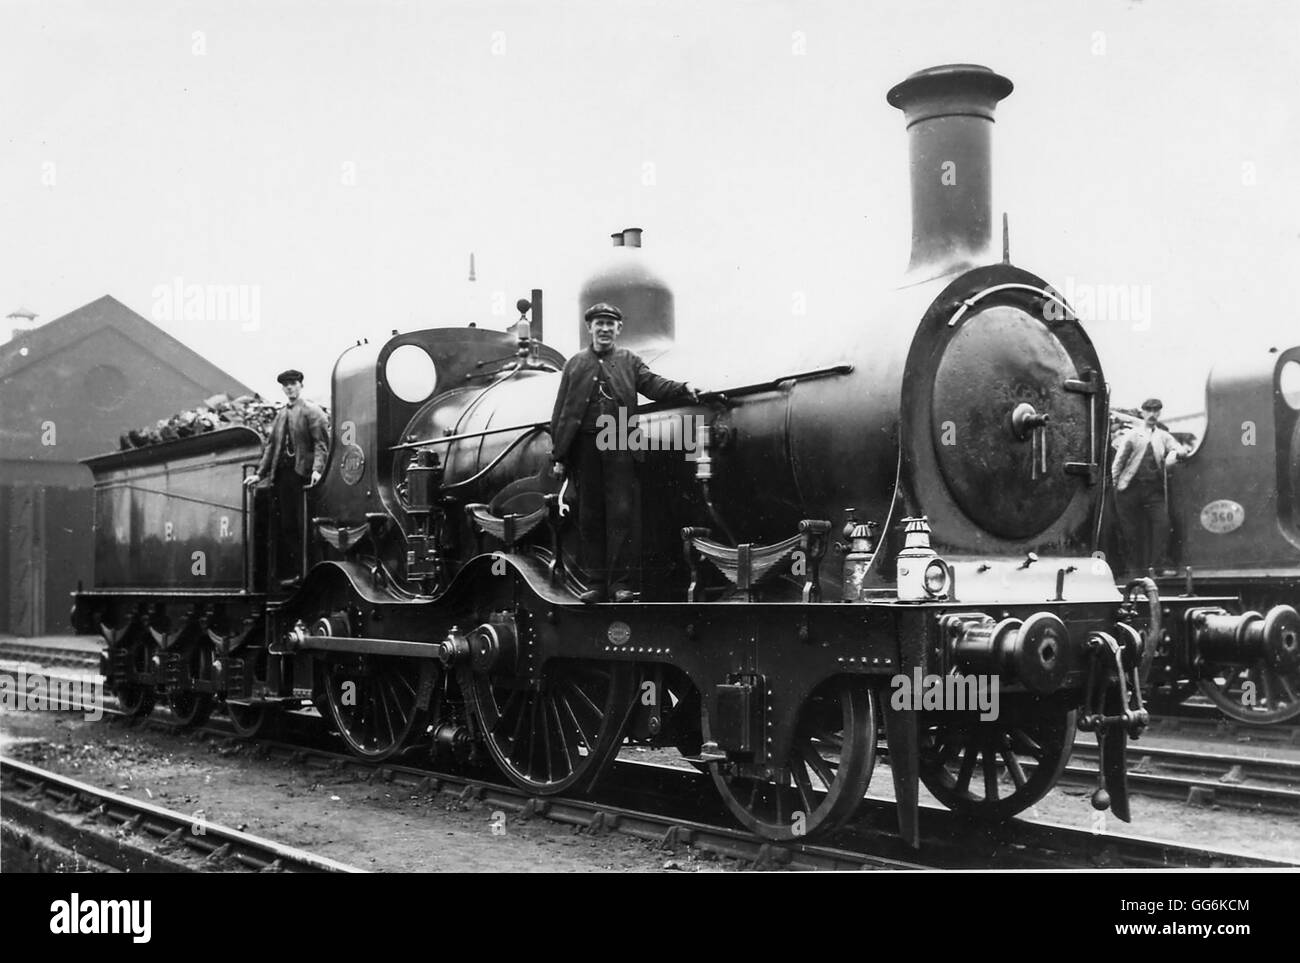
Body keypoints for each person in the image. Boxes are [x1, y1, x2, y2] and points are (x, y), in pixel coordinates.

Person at [550, 303, 699, 603]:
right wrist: (559, 456)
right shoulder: (574, 364)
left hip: (618, 437)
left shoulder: (629, 360)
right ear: (589, 328)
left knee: (621, 514)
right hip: (585, 445)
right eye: (599, 323)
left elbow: (653, 385)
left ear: (618, 329)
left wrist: (683, 388)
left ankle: (620, 585)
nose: (604, 329)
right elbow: (561, 412)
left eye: (610, 323)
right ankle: (596, 583)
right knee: (590, 515)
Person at [243, 369, 331, 587]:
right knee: (287, 525)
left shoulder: (312, 411)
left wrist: (317, 470)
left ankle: (310, 573)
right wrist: (260, 474)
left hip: (303, 476)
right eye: (286, 385)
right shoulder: (282, 414)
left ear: (301, 385)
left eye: (293, 384)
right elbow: (272, 446)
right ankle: (299, 573)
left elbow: (321, 444)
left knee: (304, 524)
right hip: (283, 476)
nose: (289, 388)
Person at [1111, 397, 1190, 576]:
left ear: (1159, 413)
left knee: (1163, 524)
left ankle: (1157, 567)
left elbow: (1178, 447)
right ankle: (1134, 572)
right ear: (1143, 412)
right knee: (1130, 532)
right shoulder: (1132, 435)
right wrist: (1115, 485)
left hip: (1153, 491)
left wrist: (1176, 453)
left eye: (1156, 411)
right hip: (1129, 489)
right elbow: (1119, 462)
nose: (1152, 414)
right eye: (1149, 411)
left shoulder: (1162, 436)